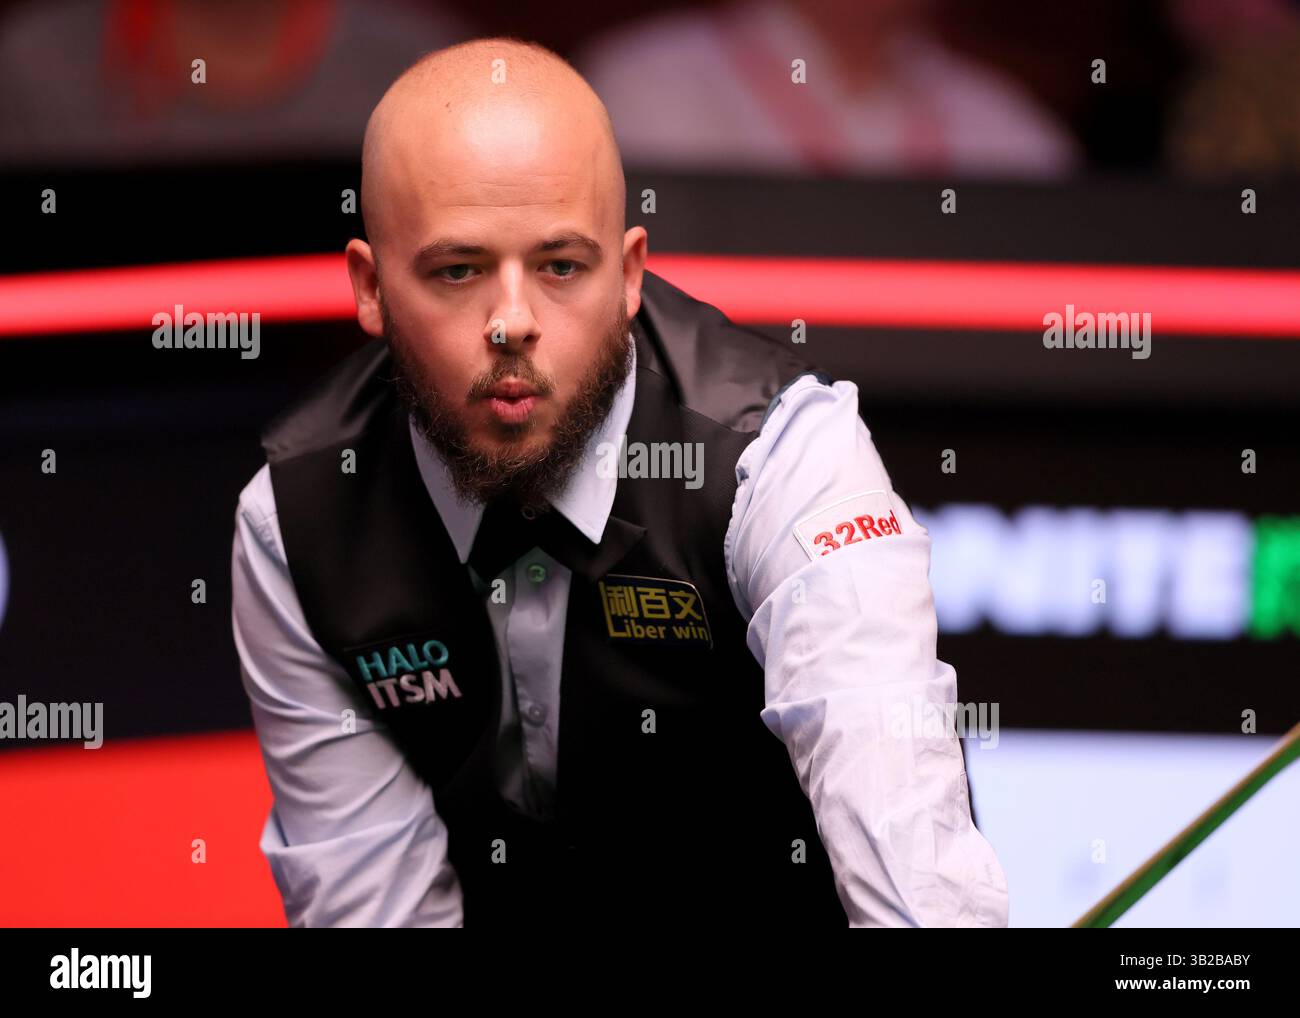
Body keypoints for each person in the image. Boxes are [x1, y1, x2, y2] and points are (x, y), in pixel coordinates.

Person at [231, 36, 1009, 927]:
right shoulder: (297, 523)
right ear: (370, 287)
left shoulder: (782, 455)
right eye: (458, 270)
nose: (511, 322)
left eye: (561, 266)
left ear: (630, 273)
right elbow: (374, 909)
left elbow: (902, 833)